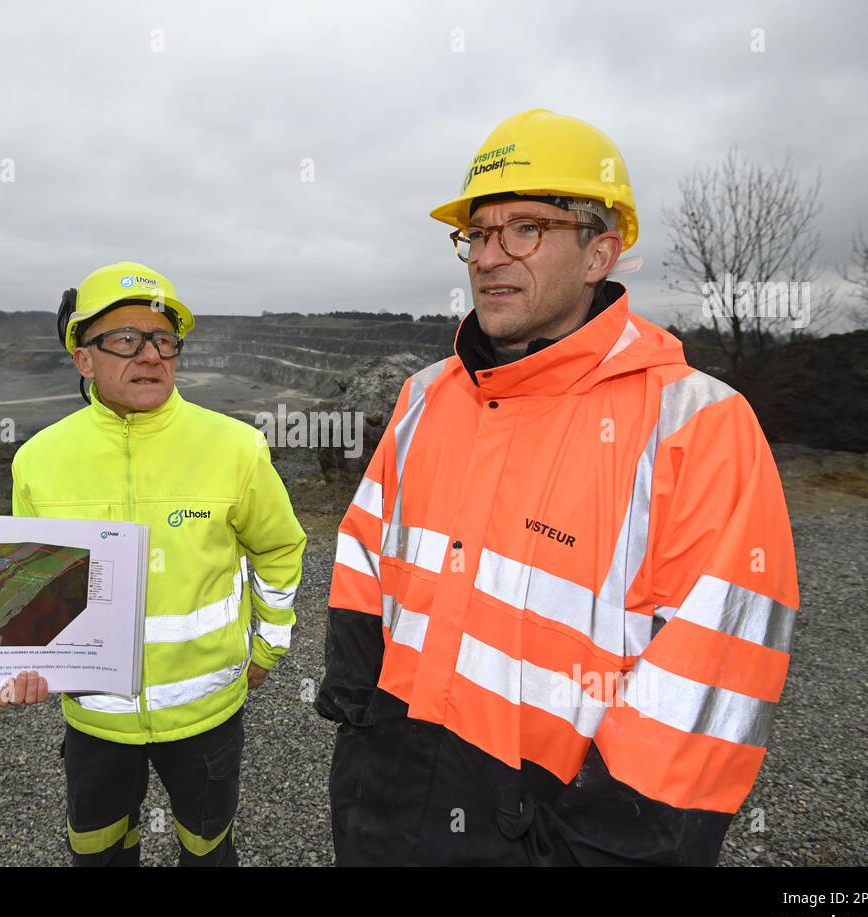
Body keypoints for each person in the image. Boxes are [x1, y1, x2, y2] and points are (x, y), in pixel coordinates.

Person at [314, 108, 799, 865]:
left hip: (548, 826)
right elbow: (365, 550)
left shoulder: (698, 424)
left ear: (600, 251)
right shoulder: (425, 397)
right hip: (384, 789)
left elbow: (713, 671)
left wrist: (605, 846)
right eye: (478, 233)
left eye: (526, 229)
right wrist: (356, 705)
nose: (489, 256)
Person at [0, 261, 306, 867]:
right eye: (124, 339)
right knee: (99, 849)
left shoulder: (234, 447)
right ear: (83, 358)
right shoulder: (38, 460)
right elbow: (28, 584)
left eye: (163, 340)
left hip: (207, 710)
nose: (150, 355)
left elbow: (278, 548)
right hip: (97, 715)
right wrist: (24, 661)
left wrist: (268, 650)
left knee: (208, 847)